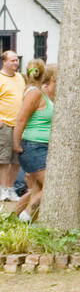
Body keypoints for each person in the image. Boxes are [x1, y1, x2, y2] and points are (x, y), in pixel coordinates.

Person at [12, 60, 56, 221]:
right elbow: (21, 119)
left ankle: (12, 218)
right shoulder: (34, 93)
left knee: (38, 189)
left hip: (41, 146)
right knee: (53, 186)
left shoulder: (39, 92)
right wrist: (16, 144)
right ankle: (24, 219)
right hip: (33, 146)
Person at [0, 49, 26, 201]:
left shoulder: (20, 78)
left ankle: (10, 188)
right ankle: (3, 189)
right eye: (12, 60)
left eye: (17, 60)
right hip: (5, 124)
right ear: (4, 62)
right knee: (4, 159)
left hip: (19, 125)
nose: (16, 63)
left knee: (16, 159)